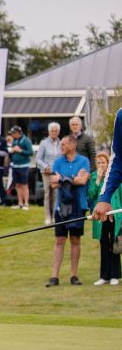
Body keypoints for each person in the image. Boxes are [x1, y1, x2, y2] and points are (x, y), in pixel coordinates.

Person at [48, 135, 91, 287]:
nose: (62, 146)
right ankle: (54, 276)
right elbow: (53, 184)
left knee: (75, 239)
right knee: (60, 239)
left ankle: (74, 275)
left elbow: (83, 180)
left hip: (78, 206)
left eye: (64, 144)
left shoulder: (84, 161)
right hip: (62, 207)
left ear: (72, 146)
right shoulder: (58, 161)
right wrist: (72, 178)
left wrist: (63, 178)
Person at [87, 152, 121, 286]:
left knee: (115, 244)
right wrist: (97, 180)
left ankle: (115, 274)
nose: (101, 165)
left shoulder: (115, 177)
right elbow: (91, 195)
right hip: (101, 218)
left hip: (114, 215)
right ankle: (104, 275)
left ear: (108, 163)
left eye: (103, 162)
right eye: (99, 163)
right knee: (103, 244)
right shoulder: (95, 177)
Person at [37, 122, 62, 225]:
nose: (54, 132)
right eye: (52, 131)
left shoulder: (61, 143)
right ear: (49, 131)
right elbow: (38, 159)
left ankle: (55, 216)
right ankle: (47, 216)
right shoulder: (43, 143)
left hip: (57, 173)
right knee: (47, 194)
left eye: (56, 131)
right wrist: (45, 166)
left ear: (58, 132)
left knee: (56, 194)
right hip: (46, 172)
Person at [7, 125, 34, 210]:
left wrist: (20, 150)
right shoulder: (14, 140)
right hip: (15, 166)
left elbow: (31, 152)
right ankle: (20, 203)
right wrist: (12, 151)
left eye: (13, 133)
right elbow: (12, 152)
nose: (12, 135)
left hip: (24, 166)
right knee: (17, 185)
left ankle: (26, 203)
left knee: (24, 185)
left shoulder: (26, 140)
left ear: (18, 132)